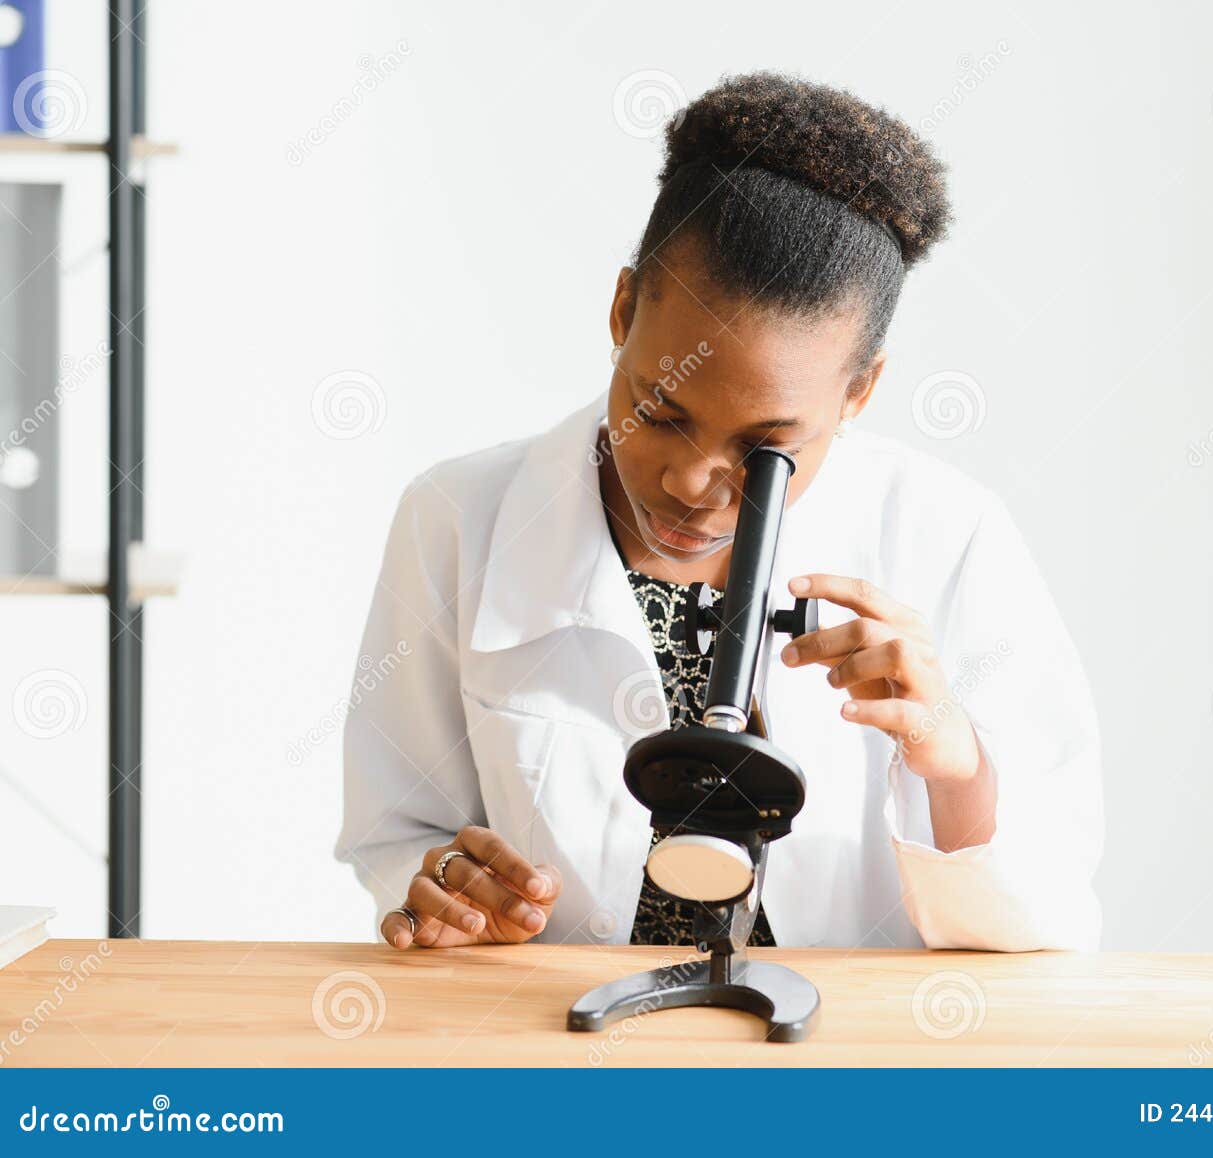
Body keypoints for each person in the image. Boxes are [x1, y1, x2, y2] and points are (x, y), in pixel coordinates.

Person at [335, 71, 1103, 953]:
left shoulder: (945, 533)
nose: (695, 485)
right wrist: (448, 890)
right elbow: (399, 836)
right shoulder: (457, 518)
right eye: (661, 412)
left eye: (765, 451)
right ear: (623, 311)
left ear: (858, 394)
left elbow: (1045, 920)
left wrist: (952, 760)